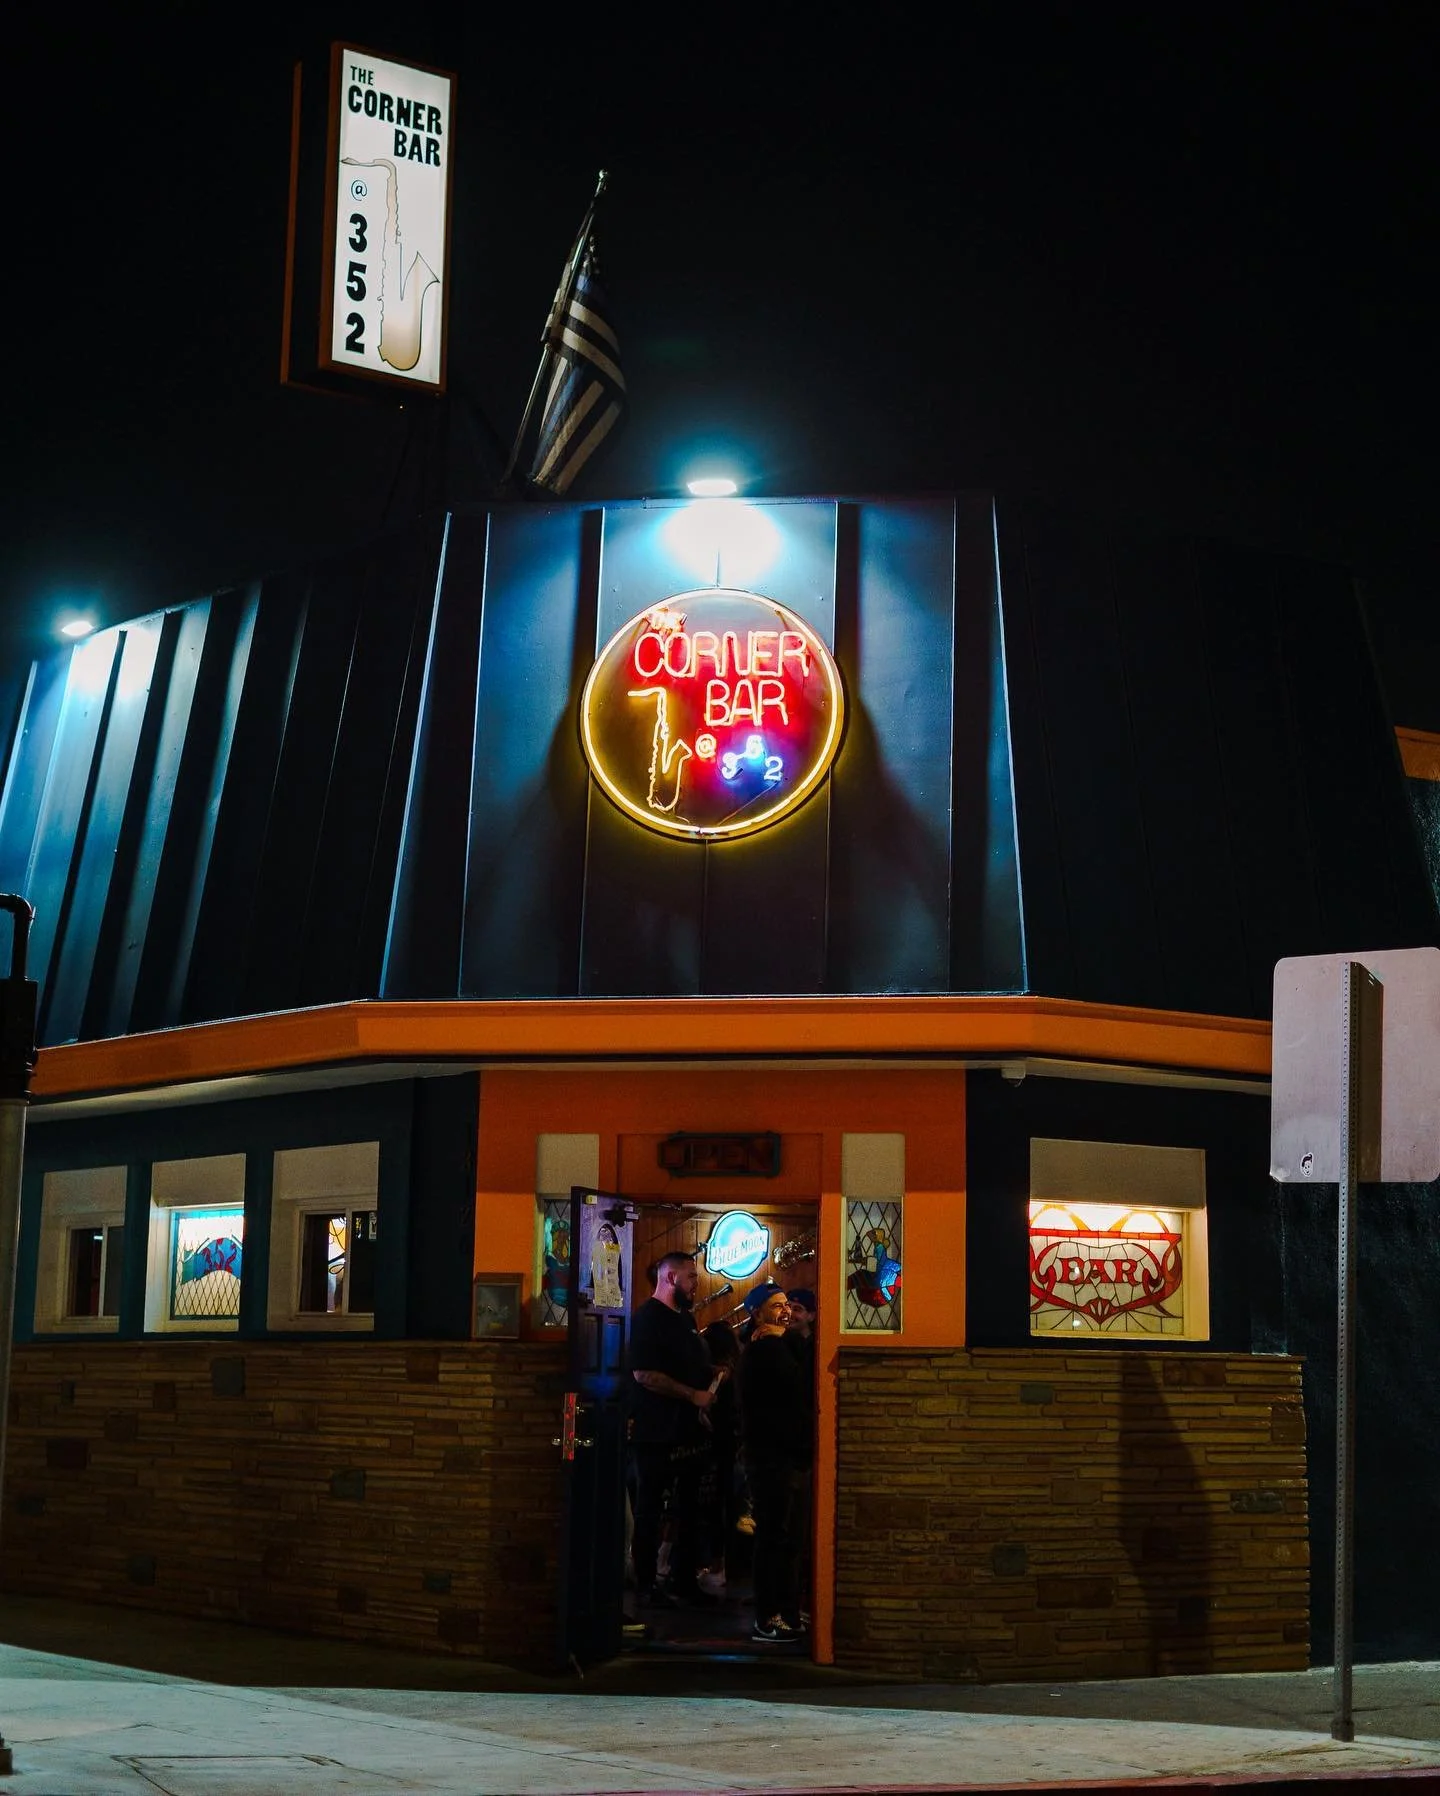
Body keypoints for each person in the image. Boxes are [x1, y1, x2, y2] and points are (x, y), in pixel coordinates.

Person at [627, 1250, 717, 1608]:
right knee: (650, 1510)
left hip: (688, 1431)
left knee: (690, 1509)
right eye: (691, 1276)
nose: (696, 1283)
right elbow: (643, 1374)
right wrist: (692, 1395)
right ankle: (646, 1586)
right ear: (670, 1278)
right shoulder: (647, 1318)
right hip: (656, 1432)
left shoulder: (686, 1319)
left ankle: (683, 1580)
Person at [738, 1286, 812, 1642]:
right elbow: (797, 1387)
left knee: (790, 1539)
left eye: (787, 1305)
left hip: (788, 1456)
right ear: (757, 1314)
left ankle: (788, 1613)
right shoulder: (763, 1350)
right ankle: (767, 1618)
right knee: (774, 1537)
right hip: (771, 1457)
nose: (785, 1311)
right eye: (777, 1306)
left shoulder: (780, 1345)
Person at [698, 1320, 741, 1588]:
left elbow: (707, 1405)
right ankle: (728, 1565)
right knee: (729, 1504)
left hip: (716, 1444)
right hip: (733, 1444)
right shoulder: (737, 1369)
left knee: (715, 1505)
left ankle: (717, 1563)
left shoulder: (719, 1375)